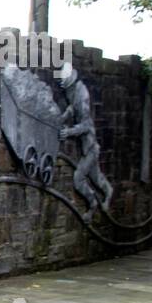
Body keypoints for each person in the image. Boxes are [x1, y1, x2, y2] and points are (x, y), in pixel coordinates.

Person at [58, 63, 114, 216]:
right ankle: (108, 192)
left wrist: (69, 132)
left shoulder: (82, 95)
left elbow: (86, 124)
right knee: (96, 178)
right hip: (87, 147)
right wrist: (62, 118)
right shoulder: (73, 92)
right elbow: (71, 109)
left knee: (78, 178)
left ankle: (93, 204)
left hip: (90, 146)